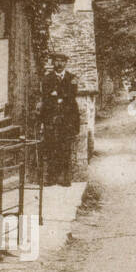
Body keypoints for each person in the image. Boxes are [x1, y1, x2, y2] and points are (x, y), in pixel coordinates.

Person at [38, 53, 80, 186]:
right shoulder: (47, 78)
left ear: (65, 63)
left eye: (62, 61)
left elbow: (71, 96)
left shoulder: (72, 78)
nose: (59, 64)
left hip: (67, 120)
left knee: (65, 148)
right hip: (51, 118)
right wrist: (61, 95)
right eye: (56, 61)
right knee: (51, 147)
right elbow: (46, 96)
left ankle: (65, 178)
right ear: (53, 63)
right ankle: (51, 178)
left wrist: (57, 94)